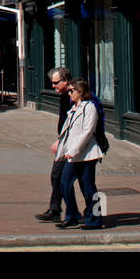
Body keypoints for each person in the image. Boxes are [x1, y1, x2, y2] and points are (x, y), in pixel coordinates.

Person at [55, 79, 104, 229]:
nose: (69, 93)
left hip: (87, 155)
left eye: (72, 91)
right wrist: (61, 150)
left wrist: (73, 151)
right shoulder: (73, 108)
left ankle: (95, 220)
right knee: (64, 184)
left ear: (80, 92)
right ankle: (72, 215)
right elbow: (67, 133)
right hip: (72, 154)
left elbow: (87, 132)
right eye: (69, 91)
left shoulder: (89, 108)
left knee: (89, 188)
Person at [35, 66, 74, 221]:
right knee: (57, 176)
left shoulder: (74, 96)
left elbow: (76, 124)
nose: (53, 86)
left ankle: (91, 214)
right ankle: (56, 210)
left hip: (72, 145)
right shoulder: (64, 96)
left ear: (65, 81)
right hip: (64, 142)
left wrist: (62, 141)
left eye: (56, 82)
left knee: (84, 182)